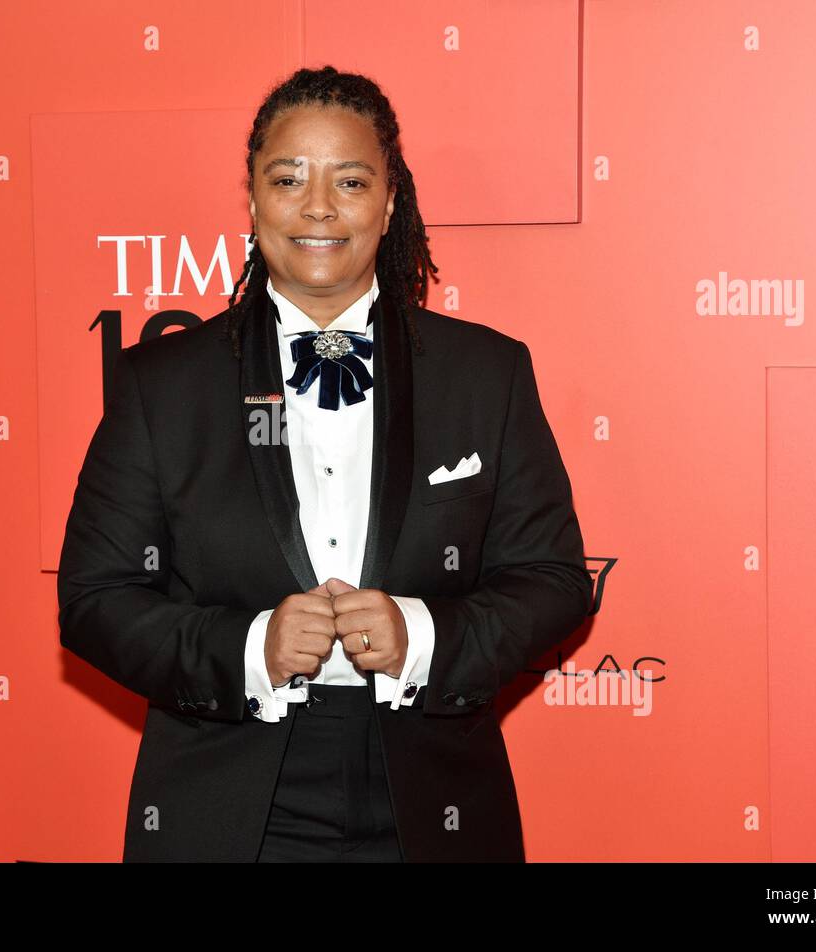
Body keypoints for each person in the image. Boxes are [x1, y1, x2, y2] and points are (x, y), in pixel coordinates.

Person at [57, 65, 592, 862]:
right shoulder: (161, 386)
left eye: (349, 180)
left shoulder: (487, 374)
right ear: (252, 198)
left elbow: (553, 583)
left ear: (388, 201)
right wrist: (250, 647)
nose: (317, 207)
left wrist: (421, 632)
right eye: (287, 178)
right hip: (229, 797)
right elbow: (95, 601)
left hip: (432, 795)